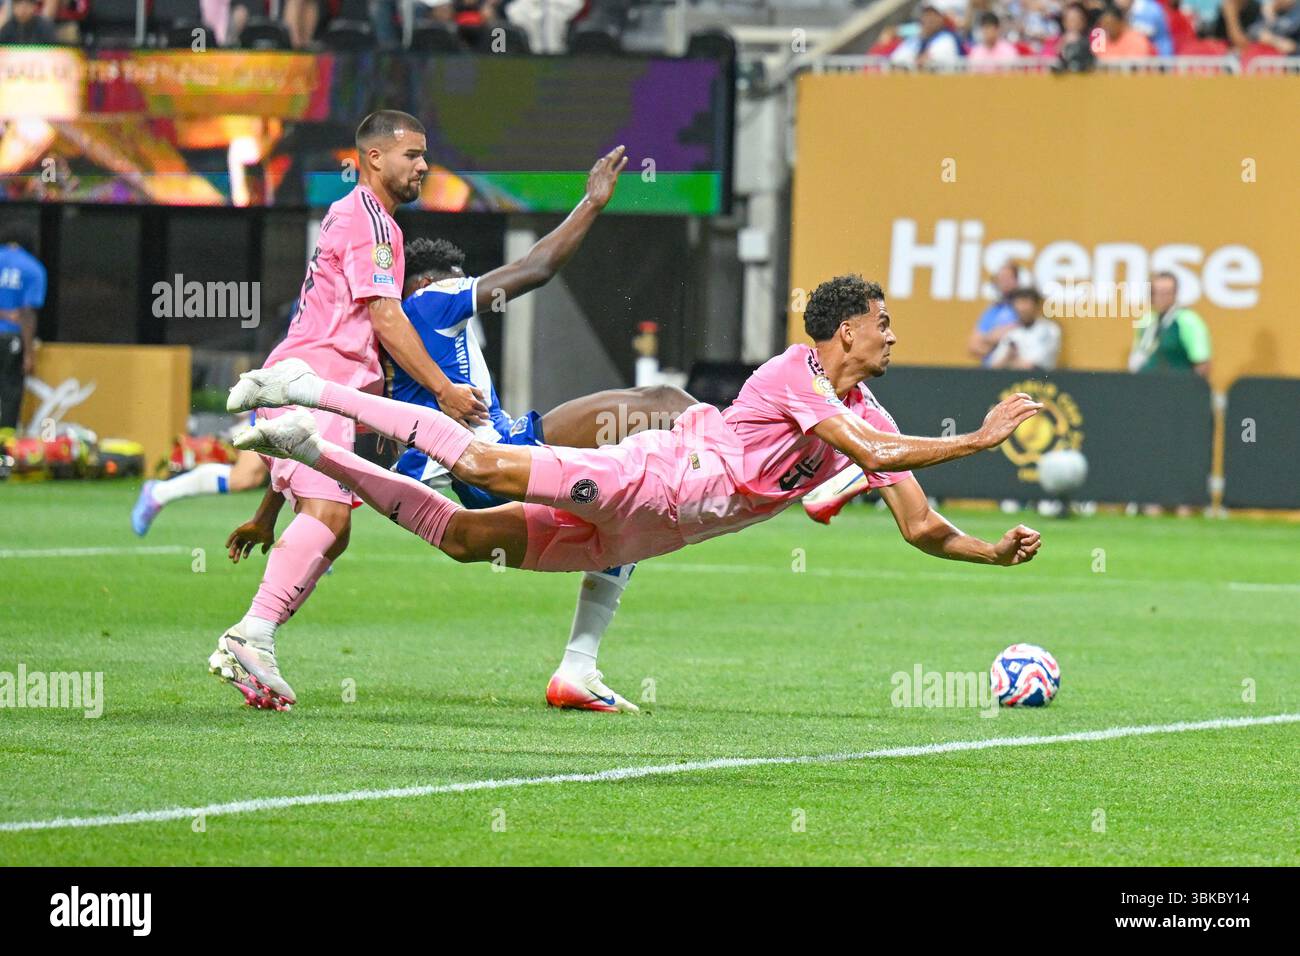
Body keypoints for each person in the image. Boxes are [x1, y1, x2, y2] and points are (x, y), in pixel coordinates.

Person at [227, 275, 1044, 706]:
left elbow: (920, 526)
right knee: (479, 468)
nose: (893, 336)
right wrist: (974, 439)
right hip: (653, 477)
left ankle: (312, 451)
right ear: (844, 332)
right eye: (884, 322)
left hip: (650, 535)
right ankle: (309, 392)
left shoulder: (871, 414)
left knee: (465, 540)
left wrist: (991, 553)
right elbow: (864, 449)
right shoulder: (797, 375)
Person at [207, 110, 490, 712]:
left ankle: (256, 640)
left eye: (425, 155)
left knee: (332, 532)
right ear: (374, 158)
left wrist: (266, 514)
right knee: (332, 521)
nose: (423, 166)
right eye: (412, 154)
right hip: (315, 383)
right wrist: (443, 390)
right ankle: (250, 635)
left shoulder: (361, 218)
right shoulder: (372, 223)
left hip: (307, 383)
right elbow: (385, 317)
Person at [131, 448, 269, 536]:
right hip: (278, 408)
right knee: (244, 477)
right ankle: (159, 493)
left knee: (248, 477)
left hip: (287, 410)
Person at [0, 225, 45, 430]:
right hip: (11, 338)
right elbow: (27, 314)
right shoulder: (33, 268)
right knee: (9, 395)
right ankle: (3, 453)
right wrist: (29, 353)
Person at [1128, 271, 1210, 379]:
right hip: (1147, 385)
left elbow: (1202, 362)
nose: (1162, 297)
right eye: (1157, 293)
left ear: (1175, 294)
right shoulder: (1146, 320)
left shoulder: (1188, 320)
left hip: (1177, 386)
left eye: (1167, 293)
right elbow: (1139, 353)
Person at [987, 287, 1061, 371]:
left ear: (1036, 306)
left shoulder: (1050, 329)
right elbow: (994, 364)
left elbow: (1040, 362)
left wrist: (1014, 362)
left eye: (1026, 303)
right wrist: (1007, 357)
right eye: (1019, 303)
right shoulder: (1011, 333)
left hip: (1042, 380)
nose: (1022, 308)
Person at [967, 260, 1020, 365]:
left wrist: (1004, 334)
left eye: (1008, 278)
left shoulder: (1023, 307)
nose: (1004, 283)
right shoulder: (993, 310)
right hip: (990, 372)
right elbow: (973, 346)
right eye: (1001, 279)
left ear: (1016, 280)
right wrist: (991, 339)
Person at [890, 3, 966, 66]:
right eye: (926, 14)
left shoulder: (947, 38)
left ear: (942, 18)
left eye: (933, 15)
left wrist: (915, 60)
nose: (929, 19)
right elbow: (896, 59)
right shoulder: (915, 40)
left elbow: (932, 60)